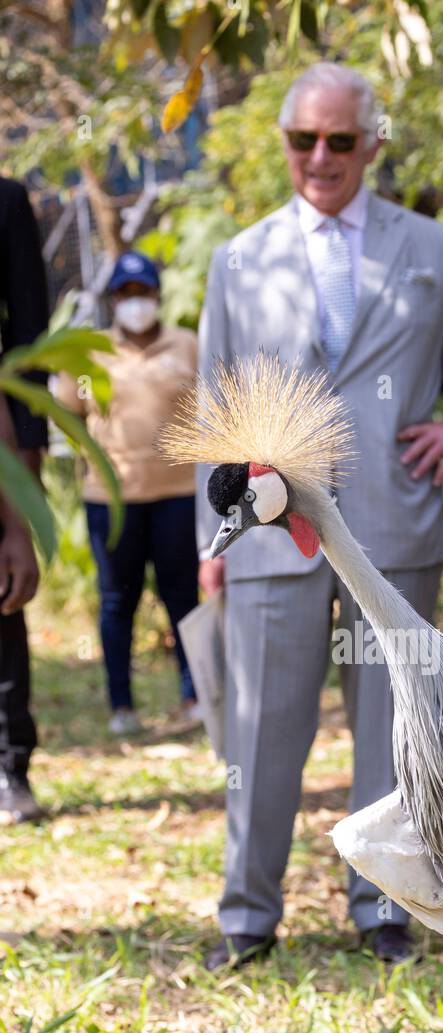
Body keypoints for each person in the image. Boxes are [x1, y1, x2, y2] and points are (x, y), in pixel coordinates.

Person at [197, 62, 443, 968]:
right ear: (283, 142)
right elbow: (214, 397)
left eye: (340, 140)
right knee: (260, 727)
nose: (320, 157)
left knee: (396, 726)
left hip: (395, 528)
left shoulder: (431, 247)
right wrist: (214, 536)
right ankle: (246, 915)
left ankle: (383, 907)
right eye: (302, 139)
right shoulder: (238, 258)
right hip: (271, 532)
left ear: (373, 143)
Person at [58, 251, 199, 734]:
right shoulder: (91, 350)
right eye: (126, 294)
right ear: (114, 300)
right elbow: (67, 412)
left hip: (178, 493)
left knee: (182, 596)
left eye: (143, 293)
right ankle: (122, 706)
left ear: (158, 295)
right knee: (118, 601)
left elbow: (212, 411)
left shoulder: (189, 345)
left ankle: (193, 694)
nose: (135, 303)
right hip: (112, 500)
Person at [0, 176, 50, 823]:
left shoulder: (7, 204)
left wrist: (21, 516)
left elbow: (29, 349)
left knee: (2, 604)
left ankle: (11, 766)